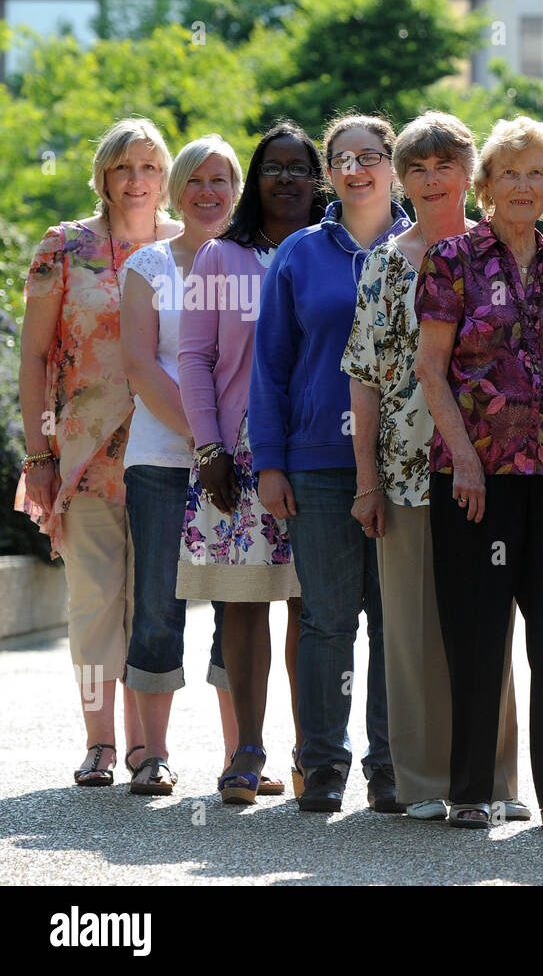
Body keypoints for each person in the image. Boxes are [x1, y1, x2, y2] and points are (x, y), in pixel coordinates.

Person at [414, 115, 543, 830]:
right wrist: (465, 457)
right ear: (486, 186)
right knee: (475, 636)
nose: (522, 185)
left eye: (536, 173)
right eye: (508, 172)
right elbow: (430, 370)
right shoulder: (452, 260)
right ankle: (470, 787)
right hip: (474, 480)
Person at [343, 111, 529, 822]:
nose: (430, 178)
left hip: (494, 466)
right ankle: (423, 781)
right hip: (406, 467)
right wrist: (367, 480)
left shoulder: (500, 254)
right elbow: (362, 374)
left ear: (467, 170)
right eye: (416, 167)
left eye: (443, 164)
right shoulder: (386, 263)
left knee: (489, 628)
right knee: (415, 627)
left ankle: (497, 780)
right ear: (401, 176)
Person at [249, 114, 410, 813]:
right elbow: (271, 364)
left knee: (397, 620)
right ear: (329, 173)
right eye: (341, 159)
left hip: (407, 463)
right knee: (324, 619)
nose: (355, 169)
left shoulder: (423, 244)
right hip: (317, 463)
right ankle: (322, 763)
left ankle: (392, 765)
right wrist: (270, 461)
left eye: (369, 156)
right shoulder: (299, 254)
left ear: (392, 164)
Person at [16, 118, 181, 787]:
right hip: (83, 456)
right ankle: (100, 743)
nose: (136, 179)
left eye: (148, 166)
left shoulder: (191, 247)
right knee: (92, 604)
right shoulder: (64, 248)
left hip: (166, 451)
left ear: (164, 177)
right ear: (103, 177)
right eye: (122, 167)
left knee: (156, 601)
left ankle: (150, 749)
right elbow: (32, 356)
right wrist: (38, 454)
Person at [177, 122, 328, 803]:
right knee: (241, 603)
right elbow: (195, 357)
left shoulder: (332, 252)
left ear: (317, 180)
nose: (287, 178)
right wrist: (207, 445)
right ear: (256, 181)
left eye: (300, 167)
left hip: (319, 448)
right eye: (274, 167)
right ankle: (246, 749)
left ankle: (309, 755)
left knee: (309, 602)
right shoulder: (221, 256)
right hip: (233, 453)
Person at [119, 135, 242, 795]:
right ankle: (153, 755)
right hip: (163, 460)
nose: (207, 190)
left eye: (220, 179)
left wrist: (230, 449)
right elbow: (140, 365)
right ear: (176, 191)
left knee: (236, 605)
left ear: (235, 192)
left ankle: (239, 757)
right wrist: (207, 440)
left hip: (240, 469)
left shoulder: (257, 262)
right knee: (158, 607)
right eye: (195, 179)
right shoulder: (148, 266)